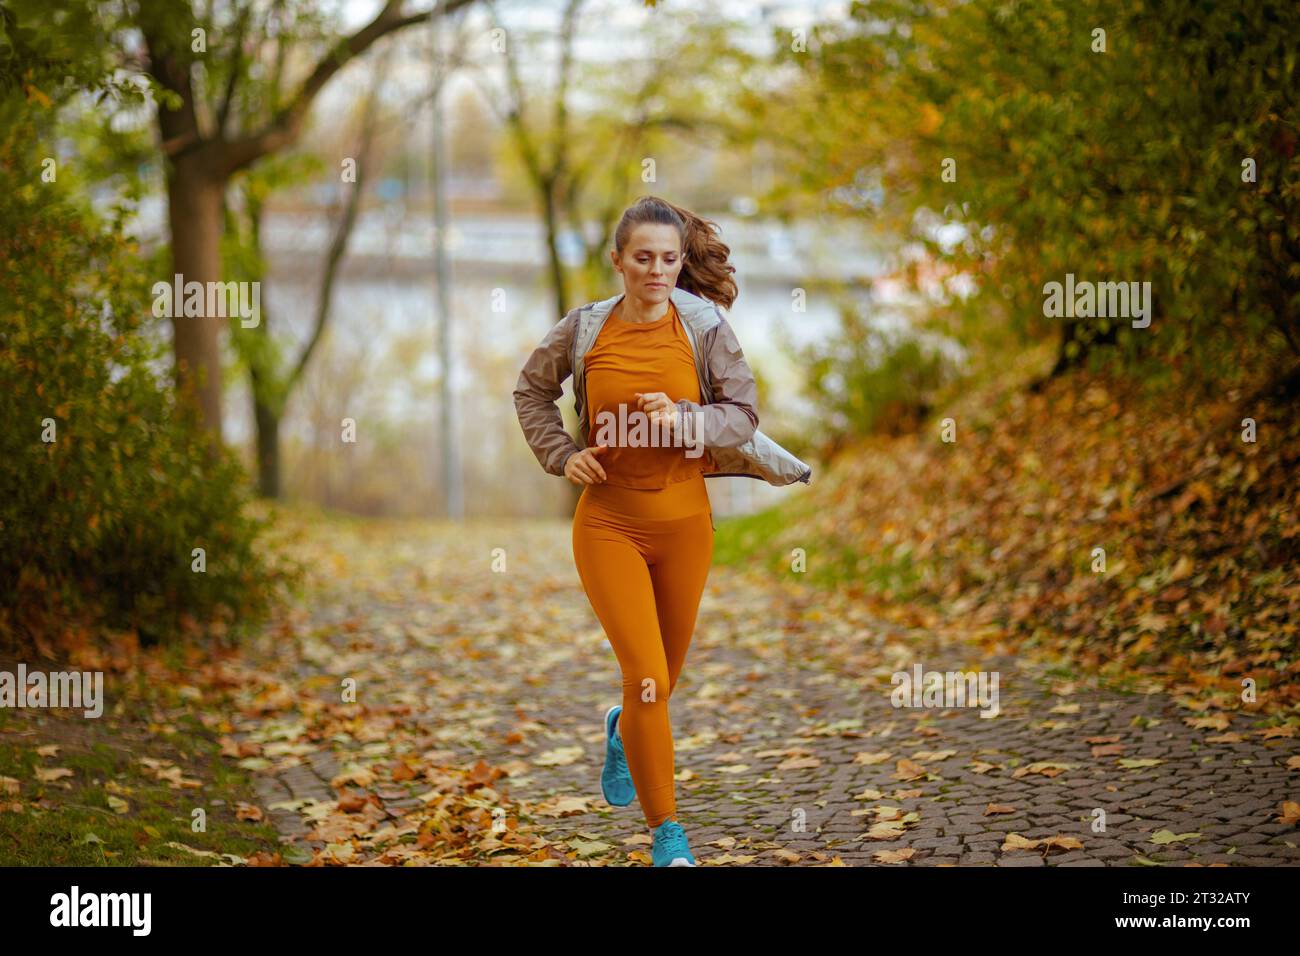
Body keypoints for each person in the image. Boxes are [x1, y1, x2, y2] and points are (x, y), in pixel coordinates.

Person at [513, 194, 807, 866]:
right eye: (642, 258)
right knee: (646, 675)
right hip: (609, 523)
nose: (656, 270)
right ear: (617, 260)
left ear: (680, 263)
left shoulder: (703, 328)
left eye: (668, 259)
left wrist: (687, 420)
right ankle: (667, 833)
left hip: (685, 527)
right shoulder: (584, 330)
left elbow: (743, 417)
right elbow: (530, 392)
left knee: (659, 687)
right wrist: (561, 453)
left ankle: (624, 730)